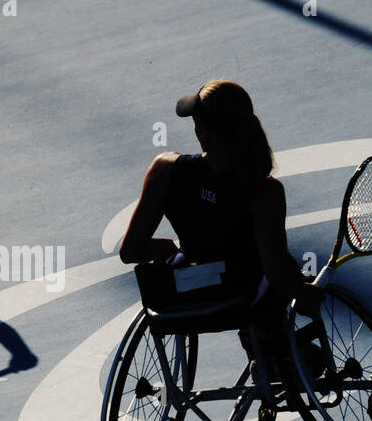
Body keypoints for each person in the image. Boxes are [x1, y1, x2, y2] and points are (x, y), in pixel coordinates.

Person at [118, 80, 323, 316]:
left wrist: (162, 247)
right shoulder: (266, 191)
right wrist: (305, 292)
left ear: (202, 131)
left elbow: (130, 251)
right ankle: (272, 348)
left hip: (180, 296)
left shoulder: (164, 169)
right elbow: (276, 270)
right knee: (280, 278)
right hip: (240, 297)